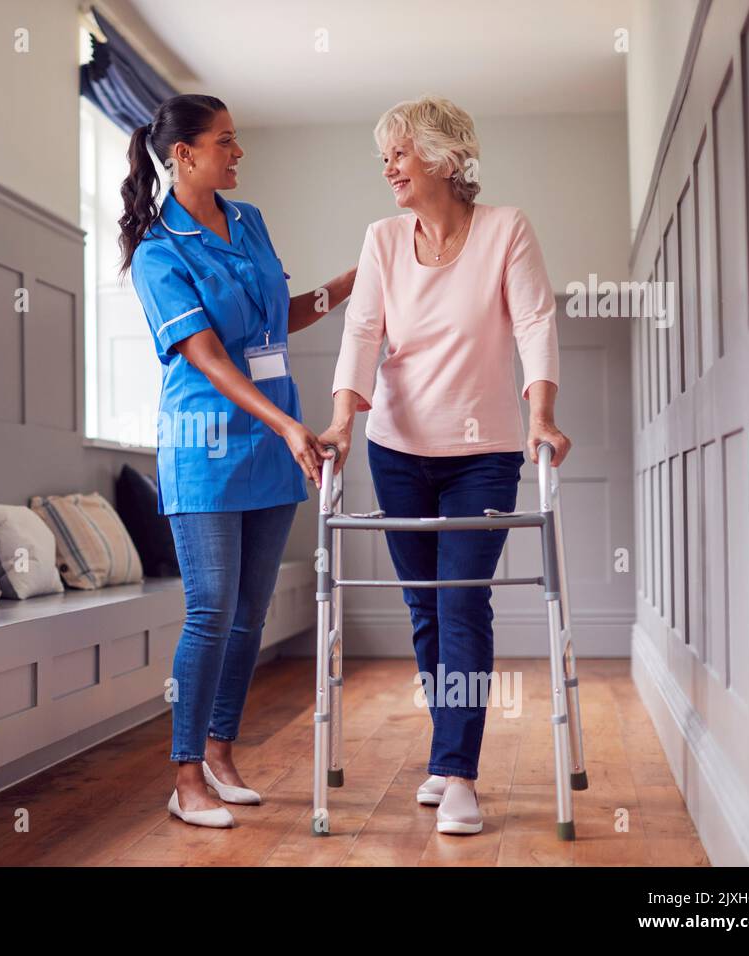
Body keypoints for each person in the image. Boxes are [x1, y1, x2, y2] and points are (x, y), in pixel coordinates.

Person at [319, 95, 571, 835]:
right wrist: (340, 420)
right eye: (385, 156)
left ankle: (459, 772)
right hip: (395, 451)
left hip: (483, 455)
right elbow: (361, 332)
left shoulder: (505, 230)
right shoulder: (383, 240)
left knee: (461, 603)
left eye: (399, 151)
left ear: (443, 156)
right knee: (425, 607)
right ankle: (445, 753)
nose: (388, 166)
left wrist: (542, 417)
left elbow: (534, 323)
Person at [120, 94, 356, 828]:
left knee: (250, 617)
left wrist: (359, 279)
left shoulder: (248, 221)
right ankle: (185, 773)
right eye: (225, 142)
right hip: (206, 450)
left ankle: (222, 752)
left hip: (272, 443)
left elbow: (279, 315)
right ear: (183, 155)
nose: (238, 152)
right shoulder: (158, 252)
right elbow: (209, 355)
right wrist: (290, 424)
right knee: (211, 612)